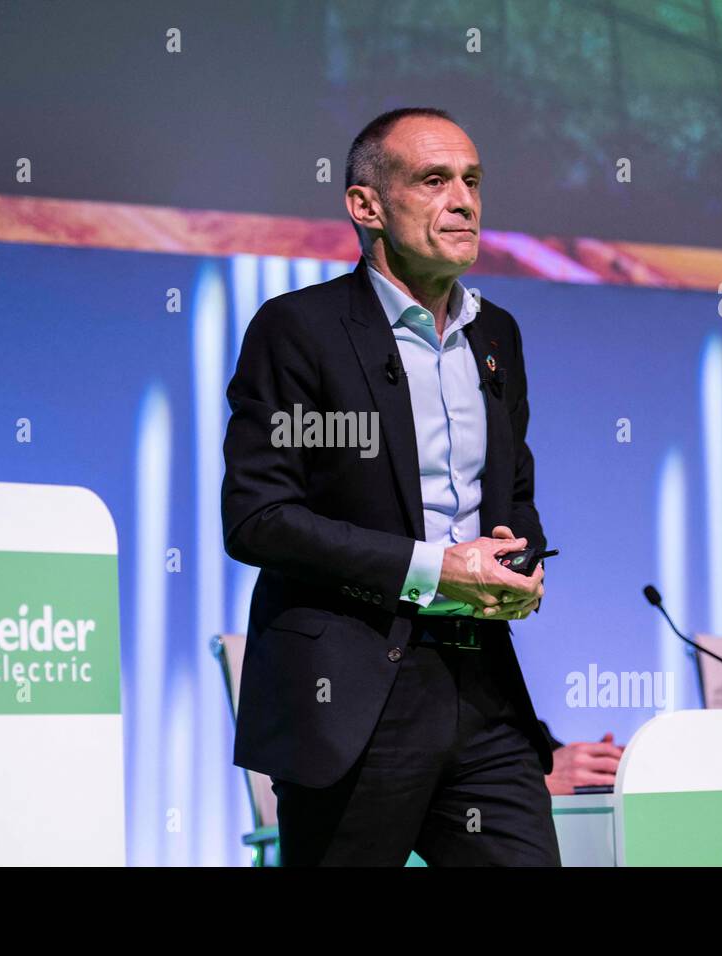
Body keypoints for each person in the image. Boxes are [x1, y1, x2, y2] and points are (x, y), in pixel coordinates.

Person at [222, 107, 558, 865]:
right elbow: (260, 518)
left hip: (484, 689)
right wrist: (433, 568)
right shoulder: (300, 331)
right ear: (366, 206)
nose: (464, 201)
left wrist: (519, 564)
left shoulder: (496, 334)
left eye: (471, 181)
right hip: (352, 693)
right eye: (434, 180)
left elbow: (514, 492)